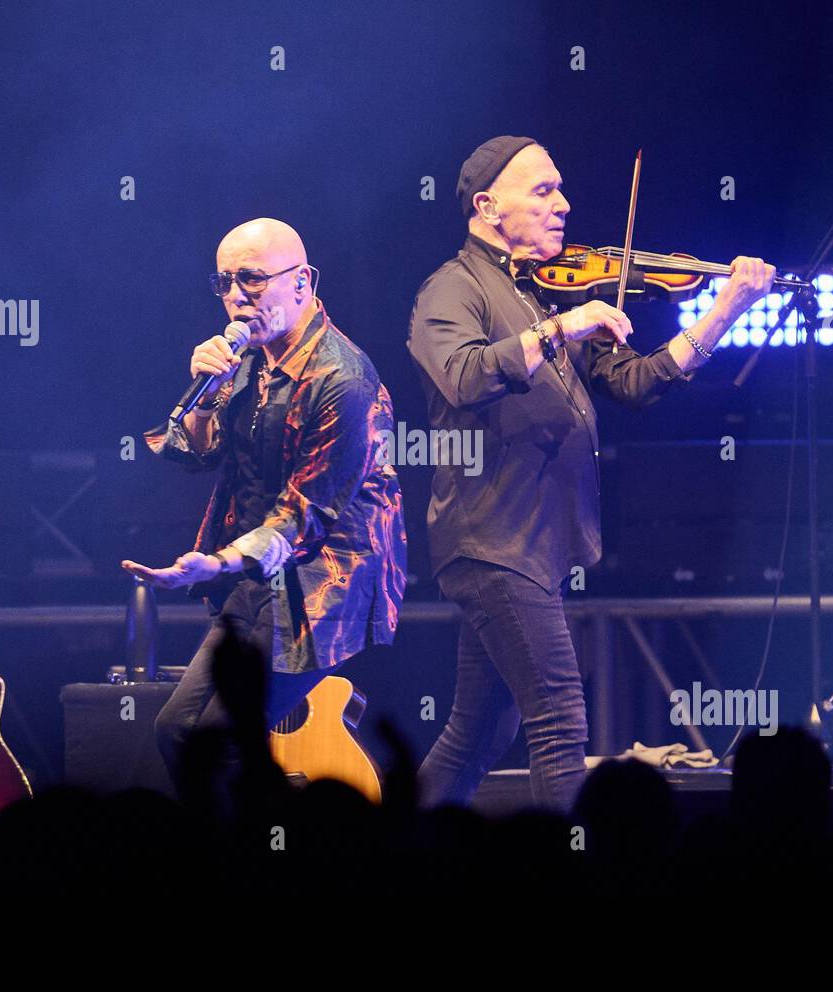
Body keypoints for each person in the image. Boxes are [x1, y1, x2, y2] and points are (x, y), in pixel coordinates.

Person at [407, 136, 775, 811]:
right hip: (491, 541)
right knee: (559, 721)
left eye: (561, 190)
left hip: (533, 547)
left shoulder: (547, 294)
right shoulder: (452, 288)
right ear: (488, 206)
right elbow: (463, 375)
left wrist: (724, 313)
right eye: (543, 191)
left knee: (478, 733)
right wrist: (563, 330)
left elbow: (635, 381)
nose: (563, 206)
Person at [123, 217, 407, 779]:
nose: (233, 297)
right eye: (223, 281)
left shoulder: (343, 380)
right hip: (257, 575)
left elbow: (306, 514)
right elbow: (192, 451)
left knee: (220, 741)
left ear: (302, 281)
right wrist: (204, 396)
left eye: (250, 279)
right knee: (176, 731)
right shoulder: (247, 357)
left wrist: (216, 561)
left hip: (325, 579)